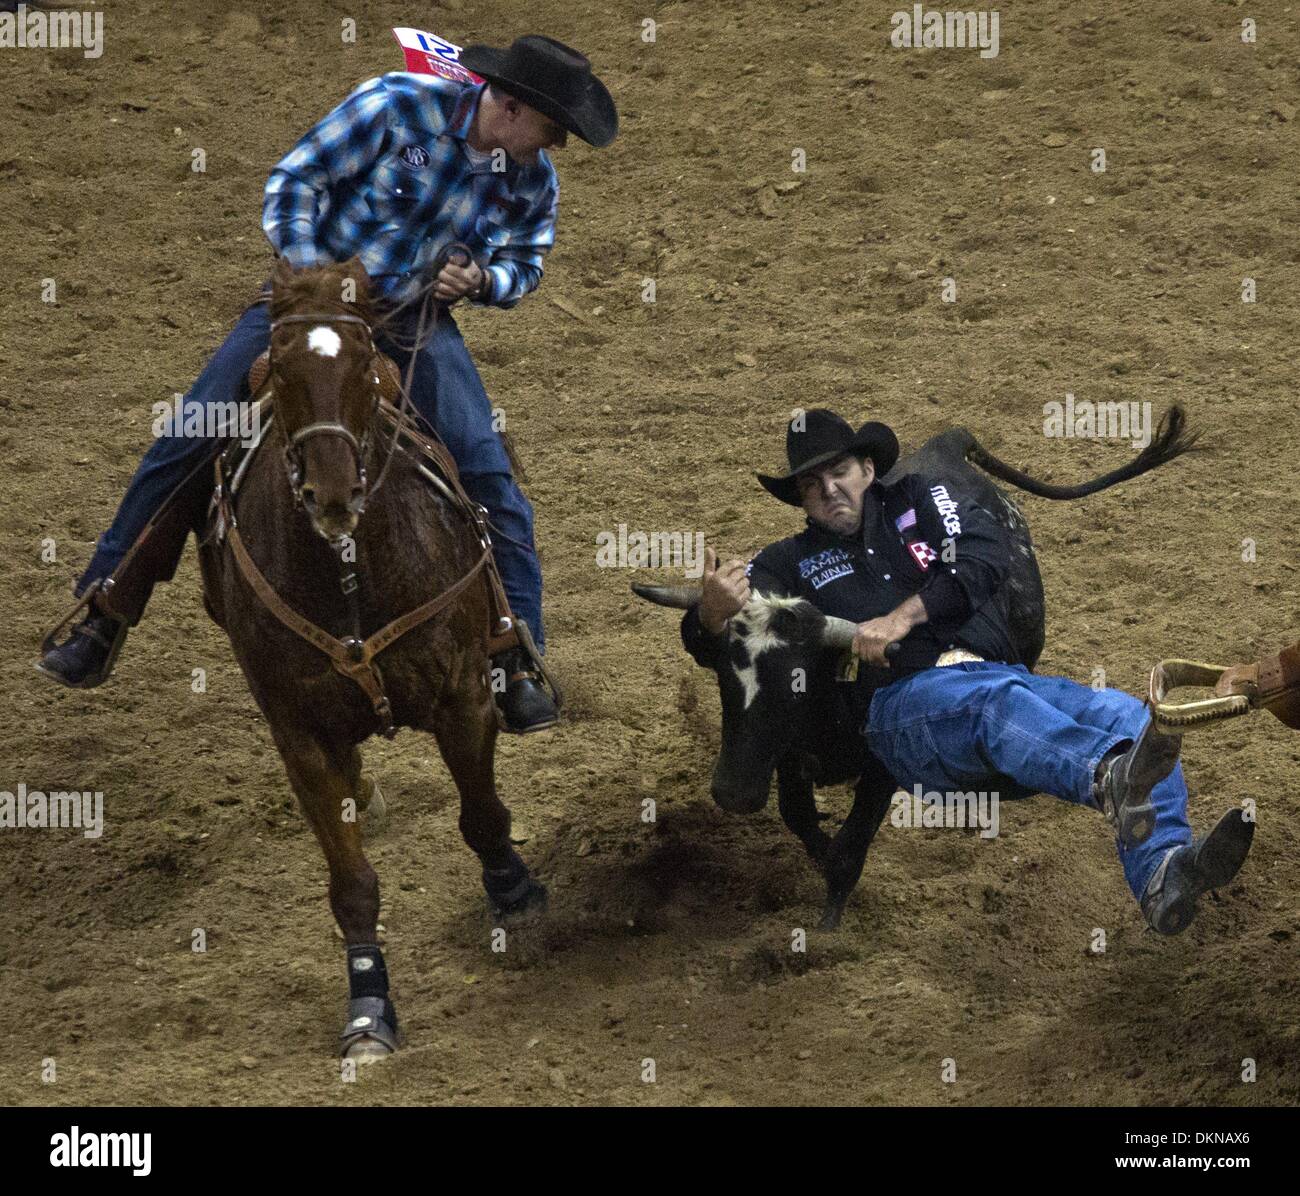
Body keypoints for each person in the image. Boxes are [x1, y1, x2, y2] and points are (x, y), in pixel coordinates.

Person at [37, 34, 619, 733]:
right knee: (192, 432)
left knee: (488, 472)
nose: (552, 148)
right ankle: (104, 610)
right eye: (552, 131)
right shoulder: (394, 106)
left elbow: (526, 261)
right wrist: (320, 282)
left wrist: (483, 279)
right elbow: (294, 182)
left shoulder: (533, 180)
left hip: (414, 323)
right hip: (312, 304)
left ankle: (516, 656)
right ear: (512, 107)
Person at [682, 409, 1254, 934]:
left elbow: (983, 553)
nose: (829, 490)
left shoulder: (920, 500)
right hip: (901, 709)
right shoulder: (789, 562)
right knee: (994, 705)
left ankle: (1165, 871)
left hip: (993, 679)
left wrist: (900, 617)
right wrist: (709, 613)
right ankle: (1108, 776)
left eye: (838, 472)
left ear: (867, 468)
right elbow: (740, 637)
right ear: (801, 499)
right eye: (811, 484)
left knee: (1130, 713)